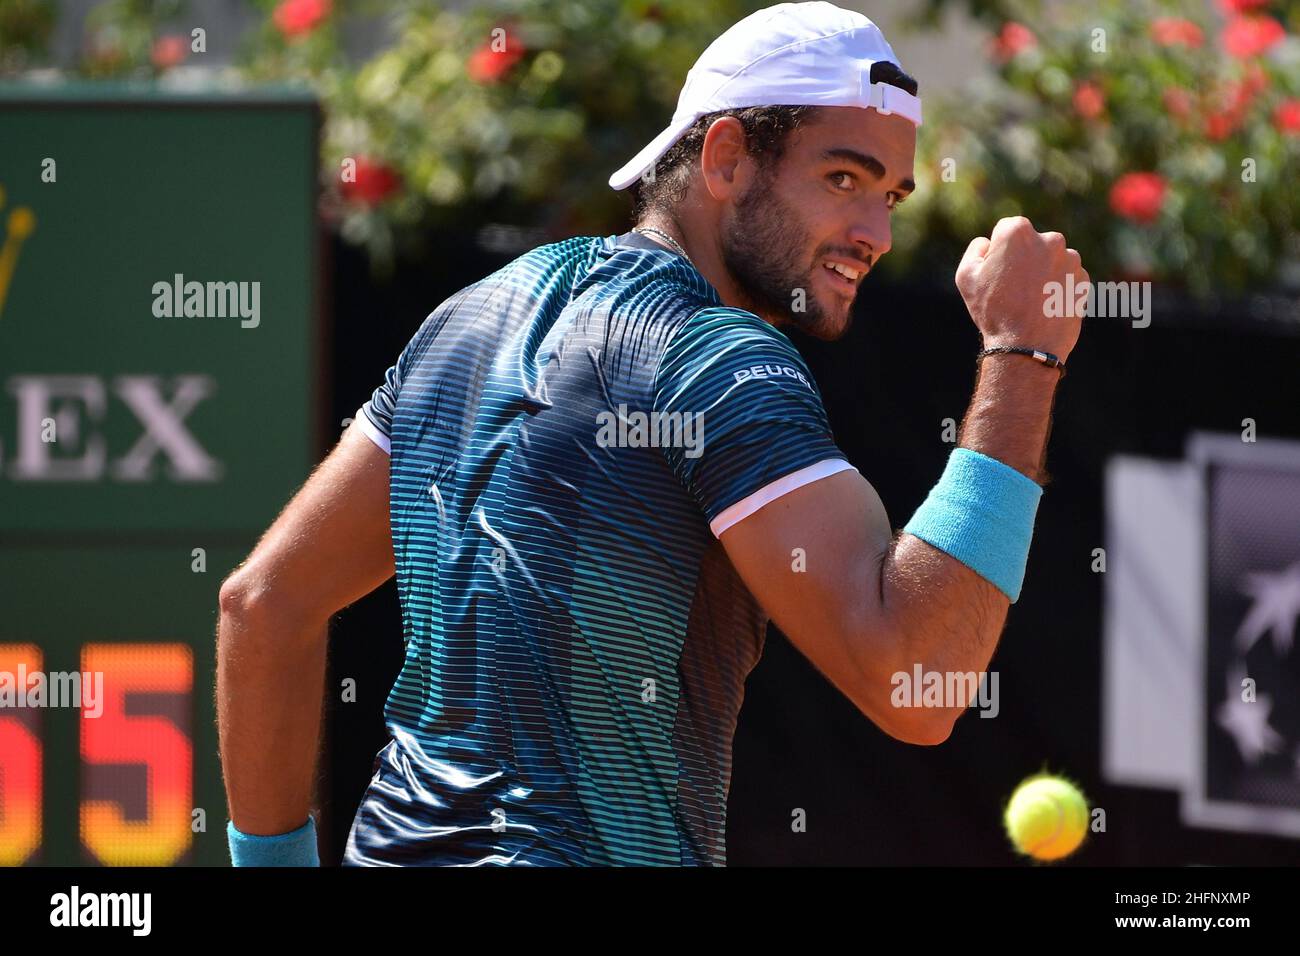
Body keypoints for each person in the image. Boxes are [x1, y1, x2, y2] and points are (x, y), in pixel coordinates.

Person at [217, 1, 1087, 866]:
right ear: (727, 158)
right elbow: (913, 683)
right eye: (844, 181)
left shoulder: (472, 316)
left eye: (890, 197)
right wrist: (1023, 354)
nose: (876, 235)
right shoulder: (716, 355)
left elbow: (262, 604)